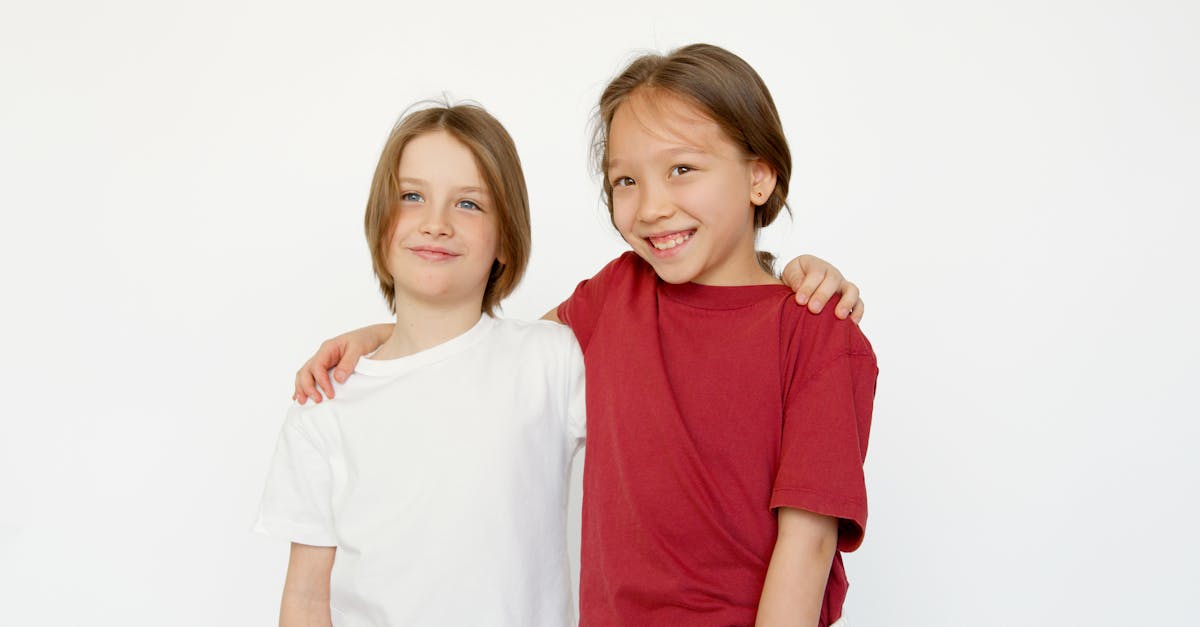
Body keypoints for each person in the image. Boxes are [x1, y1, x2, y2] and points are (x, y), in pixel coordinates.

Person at [295, 44, 876, 627]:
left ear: (759, 176)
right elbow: (491, 355)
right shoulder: (616, 296)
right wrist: (390, 337)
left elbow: (807, 550)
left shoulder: (819, 335)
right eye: (625, 179)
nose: (650, 207)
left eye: (682, 169)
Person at [255, 103, 587, 626]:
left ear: (505, 238)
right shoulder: (326, 401)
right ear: (380, 224)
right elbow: (304, 597)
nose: (436, 224)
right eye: (412, 197)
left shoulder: (551, 360)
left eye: (469, 204)